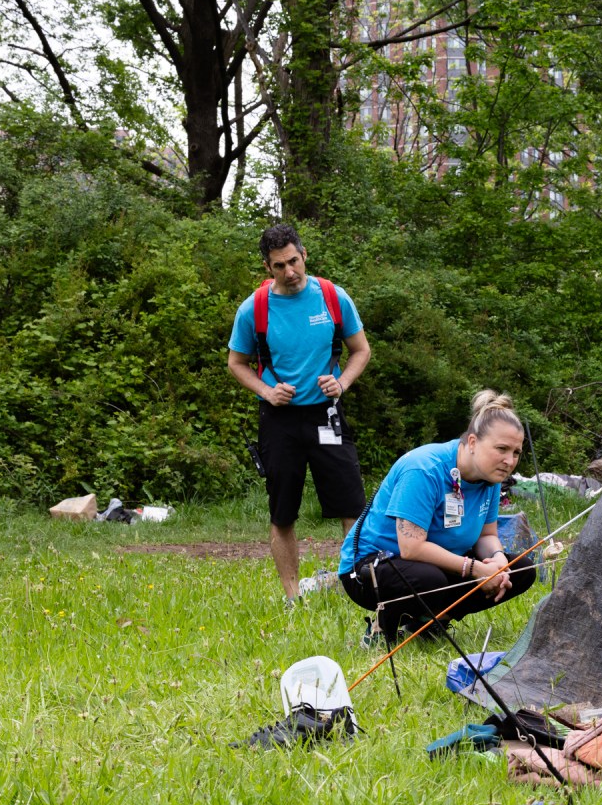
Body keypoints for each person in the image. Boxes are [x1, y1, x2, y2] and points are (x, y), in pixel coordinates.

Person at [226, 222, 372, 607]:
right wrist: (266, 391)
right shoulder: (254, 308)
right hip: (280, 420)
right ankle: (293, 600)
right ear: (267, 267)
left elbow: (361, 350)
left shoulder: (333, 297)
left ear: (304, 255)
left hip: (328, 414)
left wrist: (342, 383)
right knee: (282, 512)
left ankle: (358, 589)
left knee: (351, 506)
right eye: (279, 265)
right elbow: (236, 362)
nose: (289, 272)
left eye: (294, 261)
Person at [339, 390, 536, 644]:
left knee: (521, 569)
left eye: (516, 452)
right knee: (431, 580)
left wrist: (498, 561)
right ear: (473, 442)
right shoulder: (424, 468)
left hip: (440, 563)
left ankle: (430, 621)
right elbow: (411, 548)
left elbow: (486, 535)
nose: (509, 461)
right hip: (372, 568)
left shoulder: (491, 476)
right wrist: (476, 569)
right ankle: (382, 628)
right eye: (501, 449)